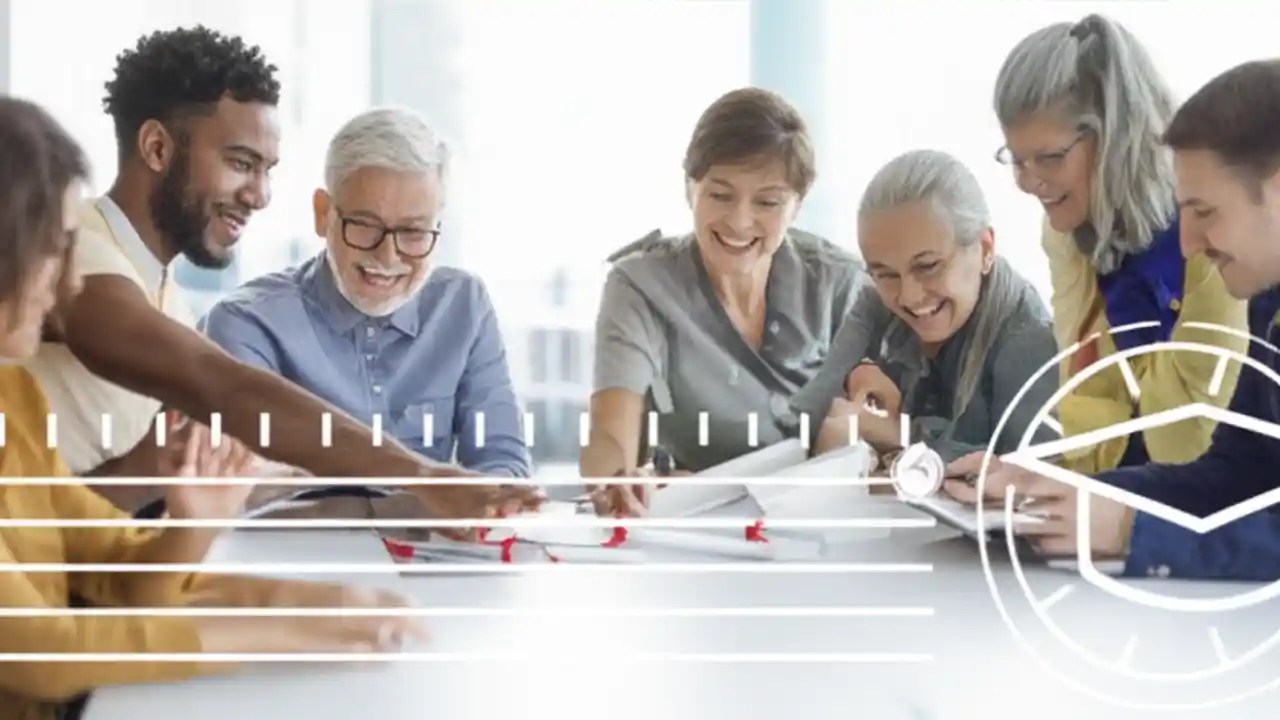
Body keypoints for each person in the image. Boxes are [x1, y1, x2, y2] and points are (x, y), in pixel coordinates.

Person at [0, 95, 426, 720]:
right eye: (51, 247)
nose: (67, 282)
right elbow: (35, 651)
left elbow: (118, 578)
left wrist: (197, 524)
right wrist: (291, 635)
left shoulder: (17, 400)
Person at [24, 26, 538, 520]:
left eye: (267, 169)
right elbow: (219, 385)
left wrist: (165, 469)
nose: (260, 195)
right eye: (241, 163)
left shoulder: (166, 298)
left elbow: (105, 502)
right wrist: (421, 476)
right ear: (157, 148)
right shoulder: (73, 252)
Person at [948, 59, 1280, 581]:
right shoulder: (1268, 304)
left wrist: (1132, 532)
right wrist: (1063, 493)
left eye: (1205, 211)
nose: (1189, 244)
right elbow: (1237, 476)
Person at [201, 107, 531, 514]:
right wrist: (412, 495)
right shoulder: (245, 323)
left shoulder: (464, 305)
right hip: (299, 566)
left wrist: (497, 502)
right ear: (323, 214)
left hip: (433, 563)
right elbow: (236, 484)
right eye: (364, 225)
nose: (387, 254)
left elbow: (504, 463)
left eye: (412, 231)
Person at [581, 87, 864, 515]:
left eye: (768, 202)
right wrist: (618, 482)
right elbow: (610, 429)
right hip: (691, 522)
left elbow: (886, 429)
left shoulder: (839, 283)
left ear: (797, 206)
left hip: (818, 522)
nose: (739, 221)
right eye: (719, 195)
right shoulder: (639, 285)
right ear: (689, 188)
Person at [985, 13, 1247, 475]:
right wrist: (1032, 472)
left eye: (1048, 158)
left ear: (1116, 135)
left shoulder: (1212, 233)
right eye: (1016, 159)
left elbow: (1185, 439)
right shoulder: (1072, 234)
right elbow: (1082, 406)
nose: (1026, 184)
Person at [791, 150, 1058, 465]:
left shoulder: (1029, 340)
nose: (909, 296)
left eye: (928, 266)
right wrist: (850, 383)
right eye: (886, 273)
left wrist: (900, 435)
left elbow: (1033, 478)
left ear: (985, 249)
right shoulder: (877, 300)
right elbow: (806, 418)